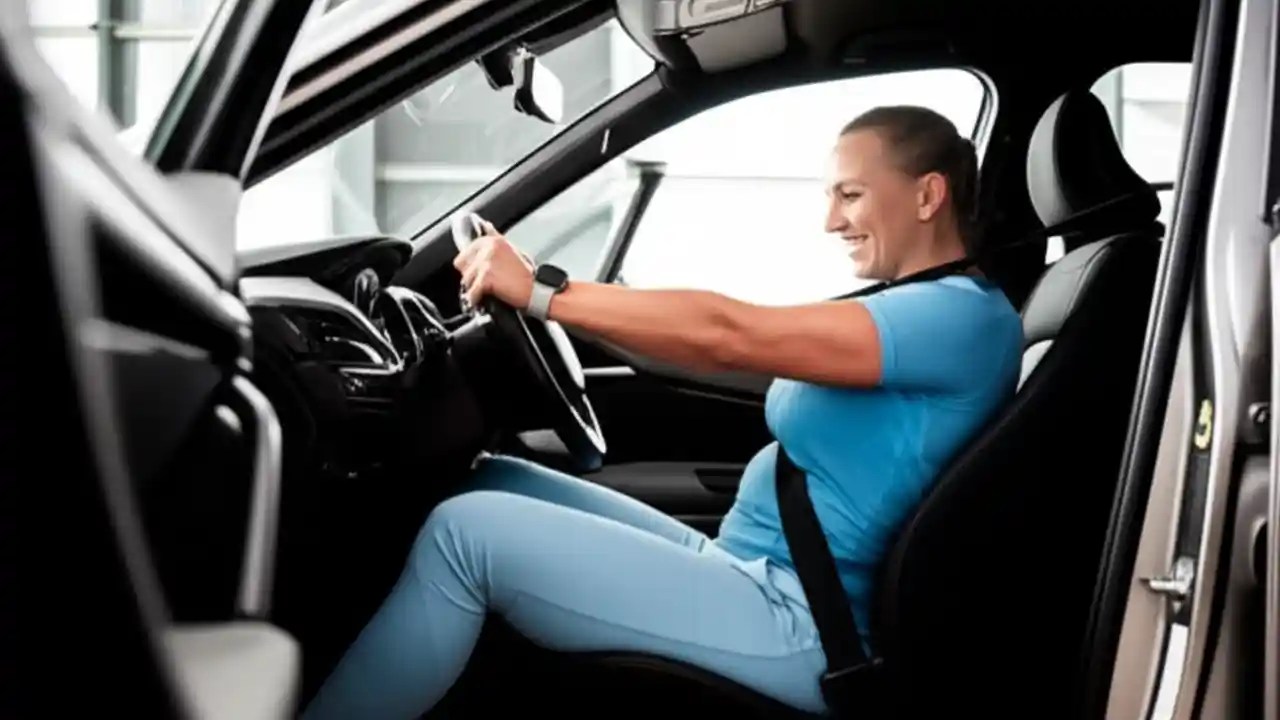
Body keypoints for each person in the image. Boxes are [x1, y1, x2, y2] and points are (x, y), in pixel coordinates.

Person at [300, 105, 1024, 719]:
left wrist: (543, 292)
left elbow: (730, 334)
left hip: (803, 623)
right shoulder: (915, 308)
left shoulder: (954, 318)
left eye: (852, 195)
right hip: (747, 565)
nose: (831, 220)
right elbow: (713, 337)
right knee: (488, 480)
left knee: (467, 535)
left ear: (927, 196)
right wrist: (562, 309)